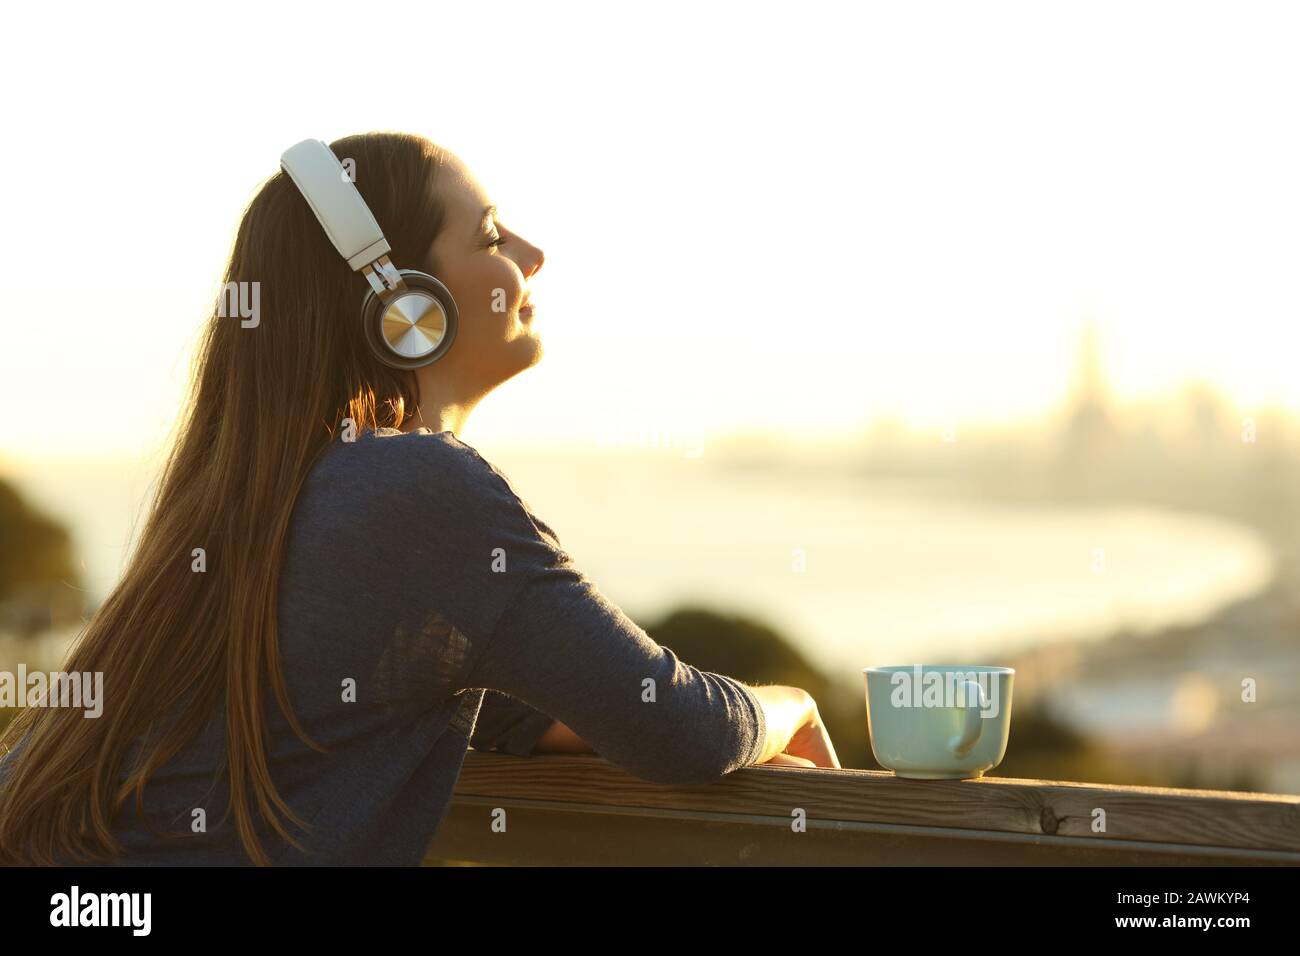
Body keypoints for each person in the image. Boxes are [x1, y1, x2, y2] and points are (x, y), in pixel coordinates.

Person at [0, 131, 839, 867]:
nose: (531, 252)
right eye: (486, 233)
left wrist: (544, 716)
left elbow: (387, 678)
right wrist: (786, 706)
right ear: (402, 302)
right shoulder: (421, 487)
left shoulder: (267, 492)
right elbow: (681, 729)